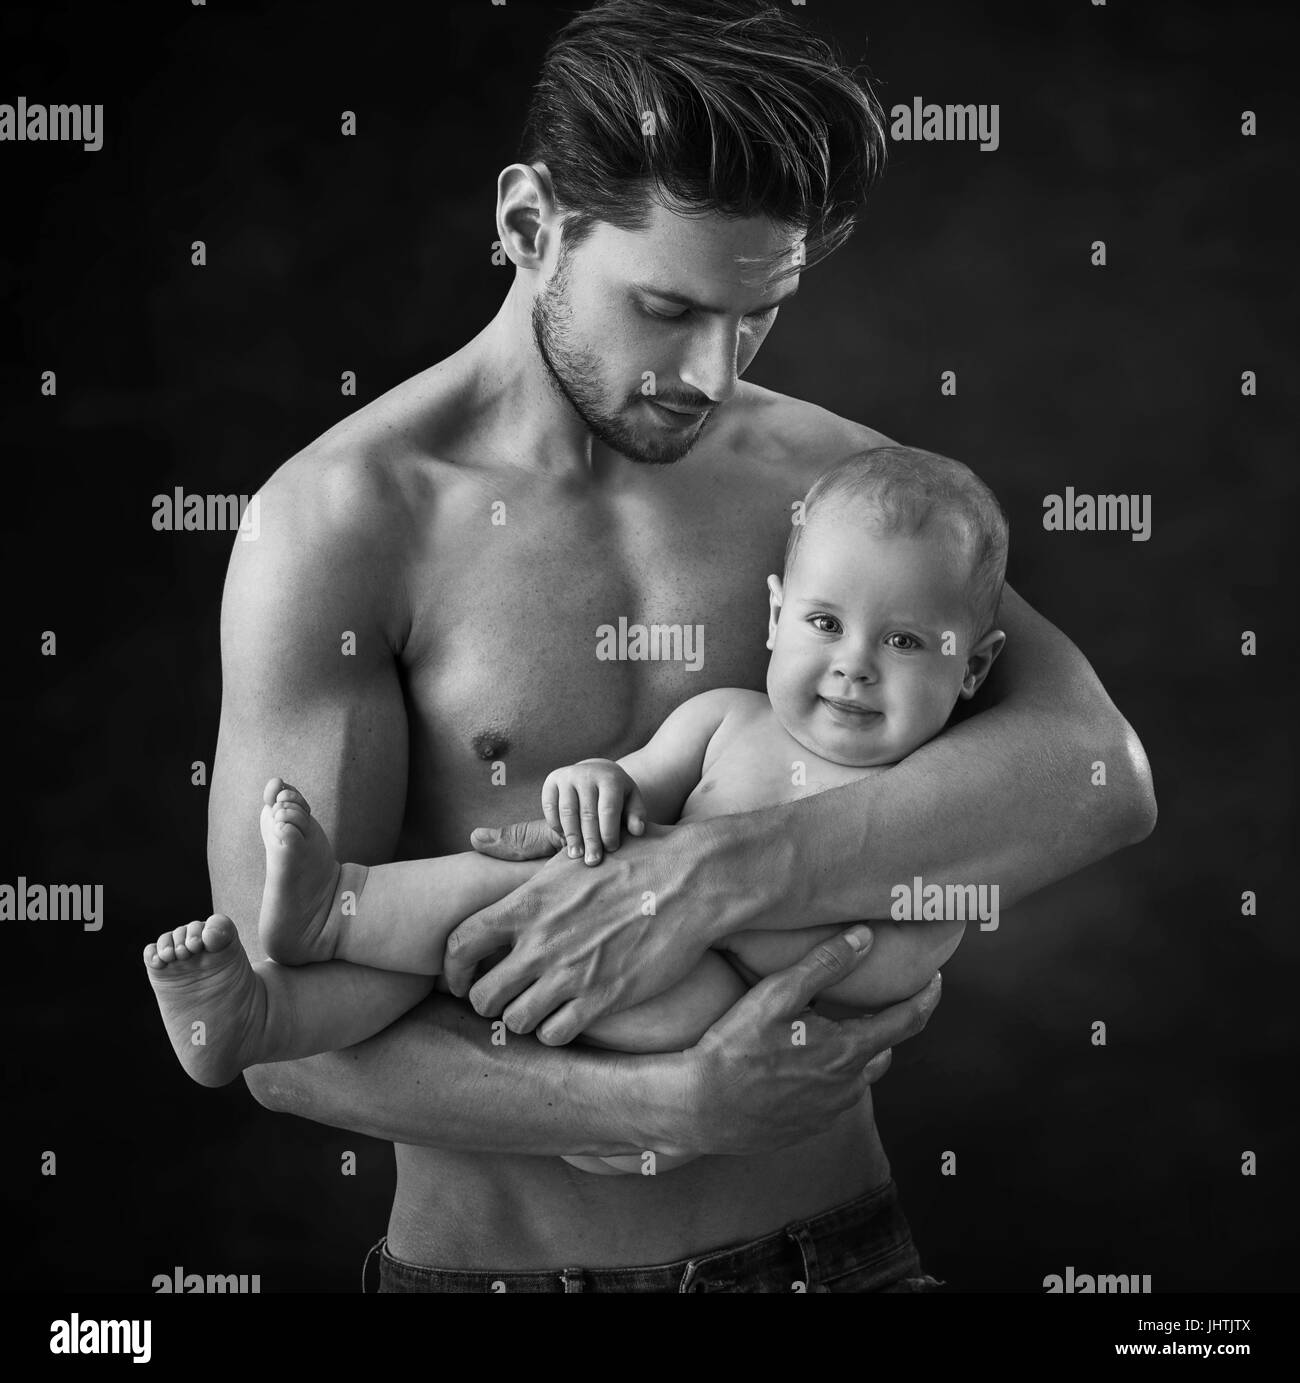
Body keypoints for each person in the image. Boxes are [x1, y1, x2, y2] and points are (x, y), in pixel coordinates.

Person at [200, 0, 1155, 1291]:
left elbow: (1097, 774)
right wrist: (662, 1107)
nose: (710, 371)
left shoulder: (833, 487)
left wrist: (713, 873)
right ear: (532, 225)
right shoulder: (338, 524)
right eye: (666, 307)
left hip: (847, 1257)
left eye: (758, 314)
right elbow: (282, 1041)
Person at [147, 446, 999, 1182]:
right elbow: (630, 784)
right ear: (776, 615)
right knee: (493, 900)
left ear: (974, 667)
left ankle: (326, 934)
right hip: (565, 980)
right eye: (824, 622)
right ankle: (291, 974)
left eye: (905, 642)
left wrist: (699, 906)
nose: (853, 666)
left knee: (509, 923)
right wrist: (596, 786)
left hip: (695, 1025)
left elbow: (876, 967)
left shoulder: (938, 799)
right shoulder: (729, 720)